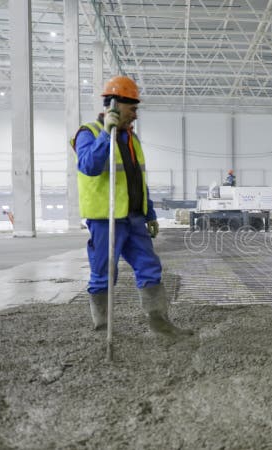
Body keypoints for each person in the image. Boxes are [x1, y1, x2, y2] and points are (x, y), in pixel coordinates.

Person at [71, 75, 191, 337]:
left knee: (150, 267)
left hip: (134, 218)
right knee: (104, 274)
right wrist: (106, 135)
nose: (135, 114)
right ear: (114, 104)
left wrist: (150, 213)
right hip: (106, 219)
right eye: (132, 108)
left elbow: (138, 180)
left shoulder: (132, 139)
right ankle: (103, 328)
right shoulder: (88, 133)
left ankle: (159, 324)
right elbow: (89, 166)